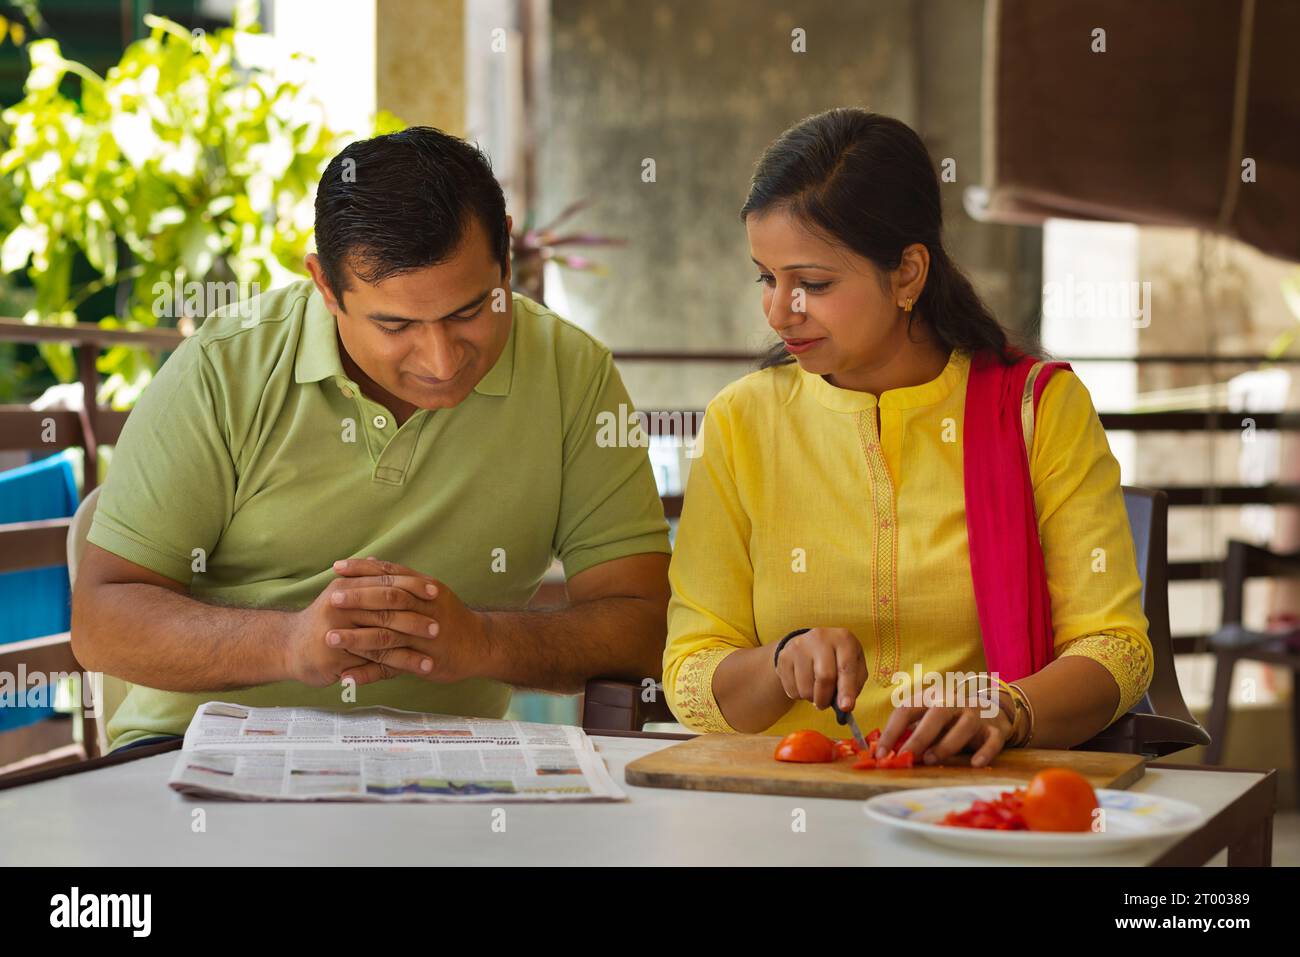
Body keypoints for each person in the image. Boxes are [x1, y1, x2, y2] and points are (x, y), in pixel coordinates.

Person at [72, 127, 671, 752]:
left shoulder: (571, 373)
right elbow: (102, 621)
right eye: (395, 323)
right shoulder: (225, 368)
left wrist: (482, 643)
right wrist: (293, 644)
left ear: (505, 259)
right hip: (196, 753)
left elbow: (642, 624)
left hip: (450, 771)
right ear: (325, 288)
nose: (441, 361)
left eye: (469, 311)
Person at [663, 108, 1153, 768]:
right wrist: (778, 662)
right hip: (786, 801)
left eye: (813, 283)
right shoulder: (741, 421)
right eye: (766, 278)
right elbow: (691, 674)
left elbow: (1116, 648)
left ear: (908, 274)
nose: (780, 311)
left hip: (970, 798)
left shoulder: (1038, 410)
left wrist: (1005, 708)